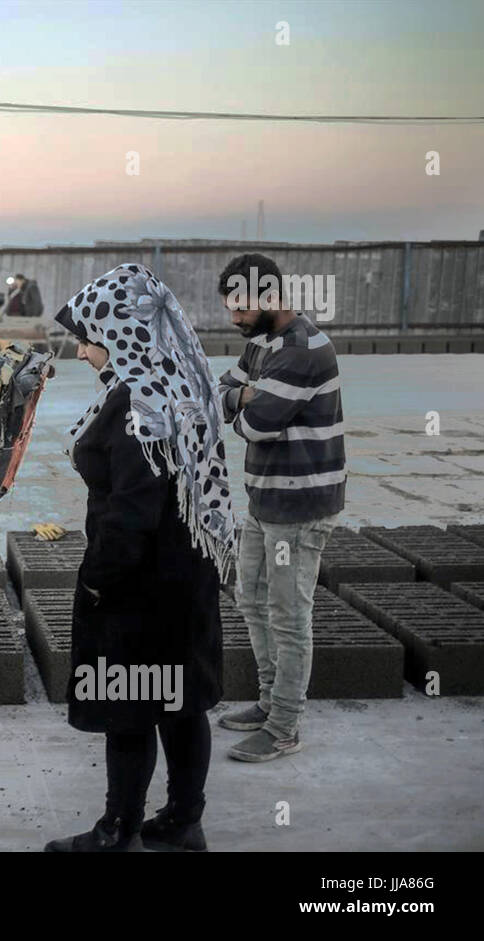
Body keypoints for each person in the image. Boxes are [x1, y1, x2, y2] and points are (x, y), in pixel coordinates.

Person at [43, 263, 234, 852]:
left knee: (127, 707)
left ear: (121, 333)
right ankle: (183, 821)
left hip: (138, 589)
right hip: (188, 578)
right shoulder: (181, 385)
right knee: (180, 703)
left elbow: (130, 514)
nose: (79, 352)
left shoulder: (137, 408)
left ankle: (115, 832)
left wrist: (98, 584)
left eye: (87, 338)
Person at [215, 253, 345, 762]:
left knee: (289, 617)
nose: (233, 320)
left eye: (240, 309)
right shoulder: (263, 342)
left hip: (301, 505)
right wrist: (244, 395)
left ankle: (285, 726)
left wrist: (243, 402)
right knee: (251, 600)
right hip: (265, 498)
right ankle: (268, 703)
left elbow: (256, 425)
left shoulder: (302, 351)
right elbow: (220, 388)